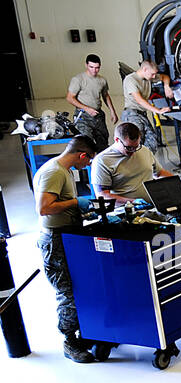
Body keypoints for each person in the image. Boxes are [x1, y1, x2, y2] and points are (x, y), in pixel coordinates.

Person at [33, 136, 100, 363]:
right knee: (68, 292)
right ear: (82, 155)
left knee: (82, 286)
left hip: (69, 235)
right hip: (55, 241)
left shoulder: (66, 171)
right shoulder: (54, 172)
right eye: (89, 160)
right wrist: (75, 203)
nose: (89, 165)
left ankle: (87, 333)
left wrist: (82, 212)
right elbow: (44, 208)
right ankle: (70, 342)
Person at [91, 122, 174, 207]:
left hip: (151, 205)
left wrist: (177, 185)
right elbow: (103, 196)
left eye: (136, 146)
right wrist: (132, 202)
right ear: (117, 140)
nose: (133, 151)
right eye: (129, 147)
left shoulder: (144, 150)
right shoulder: (102, 161)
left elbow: (159, 173)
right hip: (126, 209)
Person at [66, 54, 116, 150]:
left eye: (97, 68)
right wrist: (87, 109)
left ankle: (100, 162)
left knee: (103, 142)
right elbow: (70, 98)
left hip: (98, 115)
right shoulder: (78, 79)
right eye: (91, 67)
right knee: (86, 142)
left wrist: (112, 112)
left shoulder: (102, 80)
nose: (94, 70)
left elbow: (105, 95)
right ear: (86, 65)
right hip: (83, 115)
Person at [121, 60, 173, 152]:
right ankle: (137, 165)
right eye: (152, 74)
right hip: (131, 114)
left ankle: (146, 164)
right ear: (145, 69)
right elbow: (140, 100)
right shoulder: (131, 79)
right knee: (136, 143)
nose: (154, 77)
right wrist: (158, 110)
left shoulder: (148, 77)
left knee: (152, 141)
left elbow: (164, 77)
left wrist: (167, 87)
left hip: (142, 114)